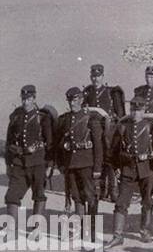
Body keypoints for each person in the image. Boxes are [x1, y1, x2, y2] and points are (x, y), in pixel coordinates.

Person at [108, 96, 153, 248]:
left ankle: (145, 230)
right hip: (128, 169)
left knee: (147, 201)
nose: (135, 113)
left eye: (138, 110)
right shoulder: (123, 126)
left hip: (147, 169)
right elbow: (113, 150)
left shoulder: (152, 126)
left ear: (144, 110)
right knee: (121, 203)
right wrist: (117, 167)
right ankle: (118, 235)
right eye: (133, 109)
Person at [6, 85, 55, 225]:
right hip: (19, 163)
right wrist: (9, 164)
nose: (25, 102)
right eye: (23, 99)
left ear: (34, 99)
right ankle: (10, 229)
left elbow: (50, 143)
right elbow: (9, 141)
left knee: (38, 195)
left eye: (28, 99)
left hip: (38, 162)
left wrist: (50, 164)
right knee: (12, 195)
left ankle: (37, 228)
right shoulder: (16, 117)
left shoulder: (43, 118)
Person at [54, 87, 104, 220]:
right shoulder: (64, 120)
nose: (72, 103)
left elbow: (98, 146)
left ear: (81, 100)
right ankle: (79, 226)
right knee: (76, 196)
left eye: (75, 100)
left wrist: (98, 168)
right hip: (70, 164)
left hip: (87, 163)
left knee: (90, 195)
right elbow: (58, 144)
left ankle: (91, 229)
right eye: (70, 100)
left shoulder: (90, 119)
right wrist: (60, 164)